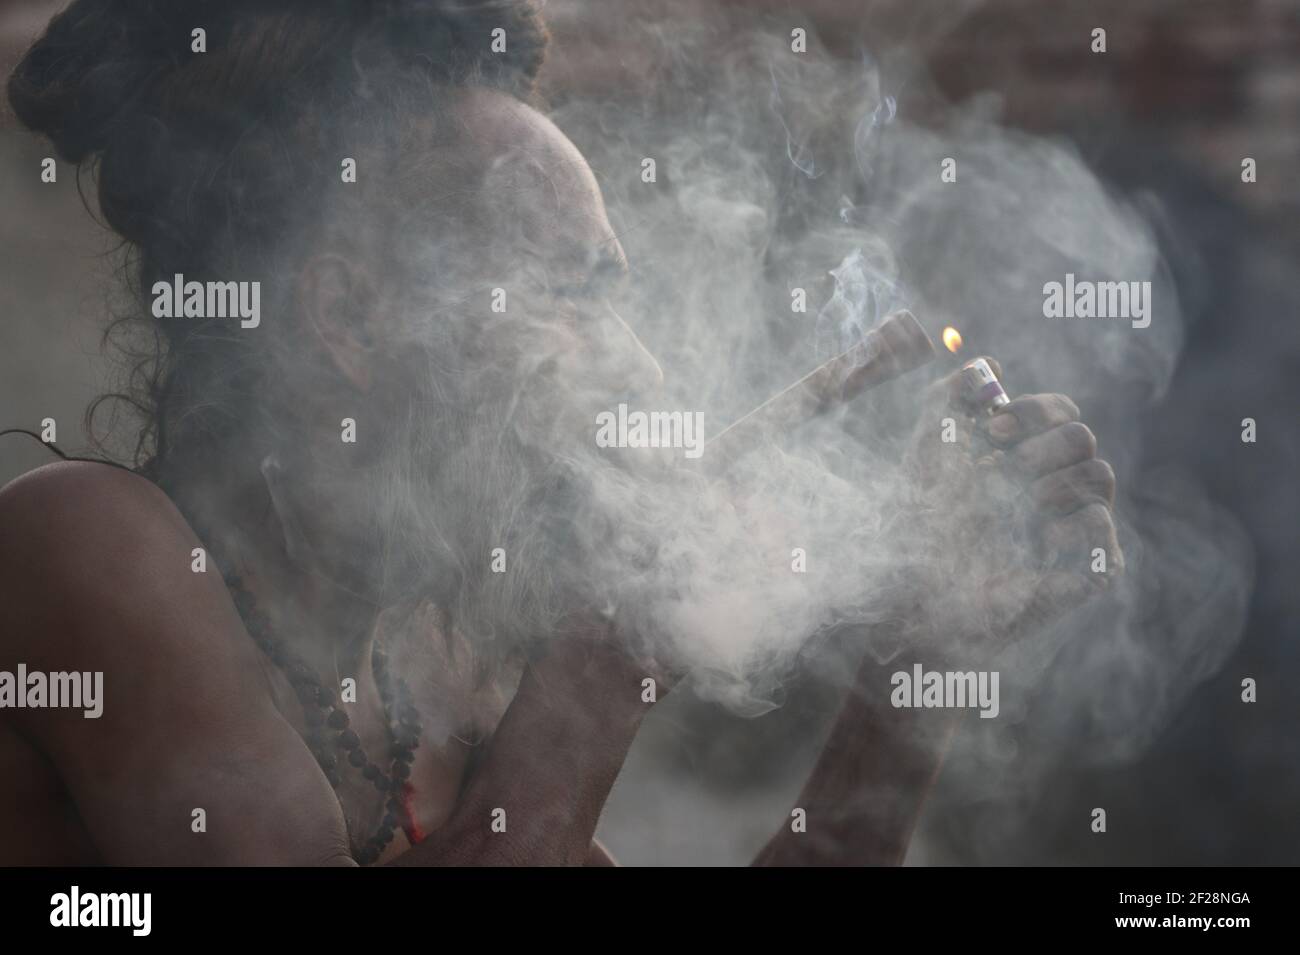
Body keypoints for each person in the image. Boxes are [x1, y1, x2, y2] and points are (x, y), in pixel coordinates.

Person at [0, 0, 1120, 865]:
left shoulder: (439, 658)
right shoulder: (86, 547)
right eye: (571, 296)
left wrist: (914, 665)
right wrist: (601, 669)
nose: (637, 364)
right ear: (348, 317)